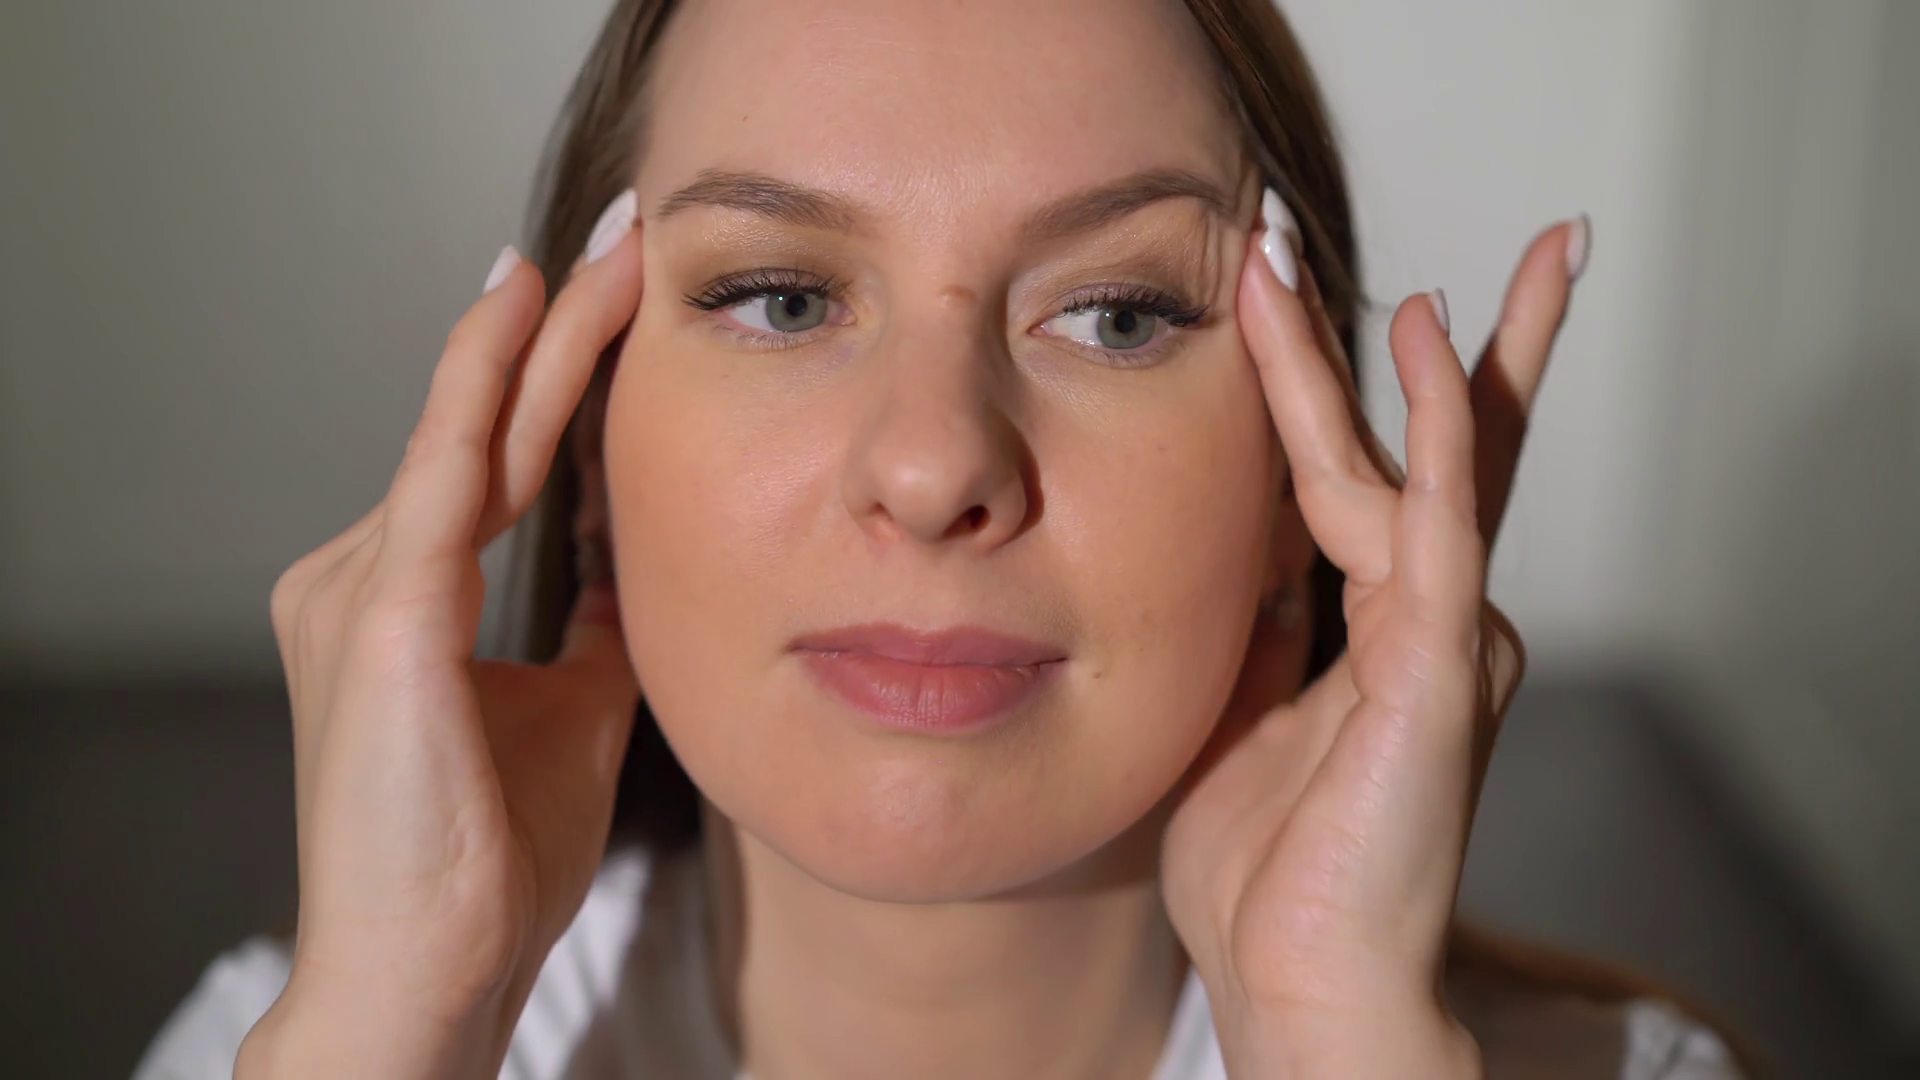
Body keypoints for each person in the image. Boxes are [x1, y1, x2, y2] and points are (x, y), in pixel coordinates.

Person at [134, 0, 1749, 1077]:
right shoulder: (288, 1044)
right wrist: (397, 1034)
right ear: (581, 462)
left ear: (1290, 497)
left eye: (1114, 314)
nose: (931, 466)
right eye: (779, 297)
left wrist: (1332, 1041)